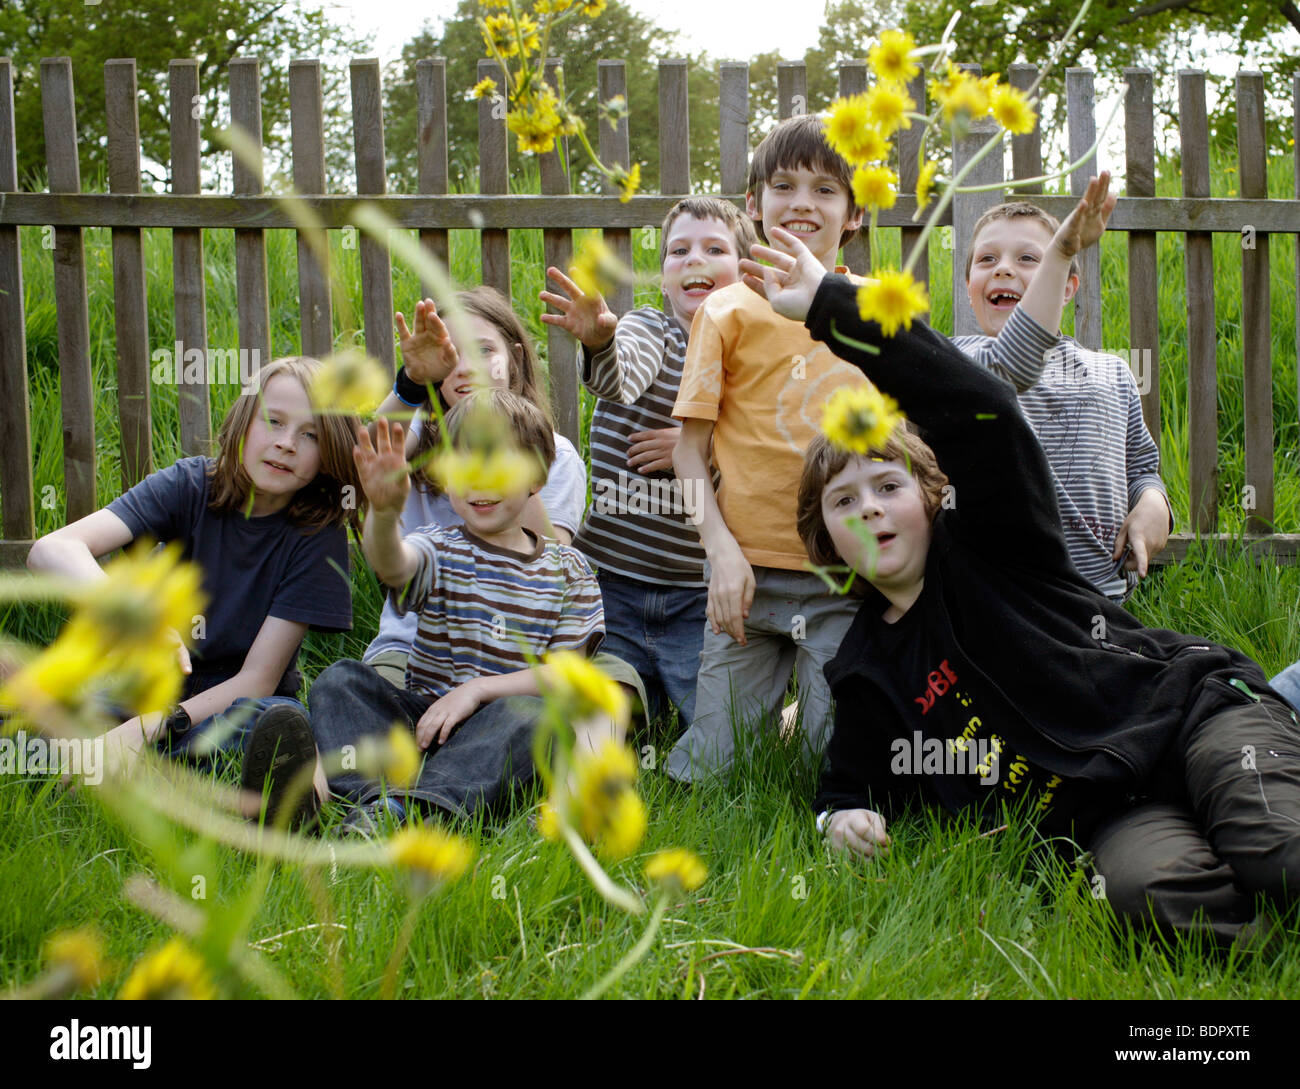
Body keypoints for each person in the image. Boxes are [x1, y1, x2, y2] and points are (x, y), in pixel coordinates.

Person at [744, 225, 1300, 948]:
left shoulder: (997, 541)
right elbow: (848, 781)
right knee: (1147, 897)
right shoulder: (866, 668)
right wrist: (838, 818)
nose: (871, 507)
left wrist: (832, 304)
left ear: (930, 493)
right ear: (824, 537)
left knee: (1280, 858)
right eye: (844, 502)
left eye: (887, 485)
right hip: (1112, 810)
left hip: (1196, 715)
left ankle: (1280, 714)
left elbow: (984, 413)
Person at [249, 389, 608, 836]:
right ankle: (372, 805)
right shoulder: (440, 546)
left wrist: (478, 690)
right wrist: (383, 511)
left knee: (533, 718)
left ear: (537, 476)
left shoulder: (568, 570)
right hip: (421, 719)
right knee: (342, 680)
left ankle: (408, 808)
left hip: (495, 731)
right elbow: (393, 564)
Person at [25, 355, 360, 772]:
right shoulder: (189, 485)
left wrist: (147, 728)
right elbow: (52, 550)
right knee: (43, 715)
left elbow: (256, 679)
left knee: (268, 726)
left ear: (327, 453)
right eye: (273, 421)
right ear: (243, 422)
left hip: (235, 702)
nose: (287, 442)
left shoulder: (317, 532)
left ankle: (151, 766)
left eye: (310, 435)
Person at [664, 114, 869, 782]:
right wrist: (719, 551)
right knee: (710, 775)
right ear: (753, 205)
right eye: (784, 185)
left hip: (843, 578)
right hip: (744, 580)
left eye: (825, 188)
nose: (803, 202)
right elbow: (688, 452)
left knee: (826, 769)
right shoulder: (726, 311)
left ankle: (800, 713)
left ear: (856, 212)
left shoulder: (876, 310)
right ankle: (765, 708)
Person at [539, 196, 758, 731]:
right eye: (678, 251)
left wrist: (702, 444)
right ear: (662, 278)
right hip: (612, 584)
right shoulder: (651, 331)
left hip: (696, 596)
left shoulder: (753, 356)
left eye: (714, 249)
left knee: (721, 727)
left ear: (746, 272)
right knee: (600, 707)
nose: (694, 260)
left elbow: (769, 446)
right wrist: (601, 341)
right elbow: (621, 377)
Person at [954, 183, 1171, 600]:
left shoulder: (1114, 372)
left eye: (1028, 258)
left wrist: (1153, 505)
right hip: (990, 594)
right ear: (969, 287)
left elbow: (1142, 468)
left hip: (1099, 597)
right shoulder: (958, 360)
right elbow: (1012, 360)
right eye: (987, 259)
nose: (1002, 269)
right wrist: (1058, 253)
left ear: (1067, 287)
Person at [362, 287, 587, 688]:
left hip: (514, 652)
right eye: (451, 355)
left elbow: (550, 563)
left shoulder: (560, 456)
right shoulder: (419, 434)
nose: (465, 368)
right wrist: (413, 382)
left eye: (484, 351)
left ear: (514, 360)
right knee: (360, 691)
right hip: (413, 642)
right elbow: (372, 454)